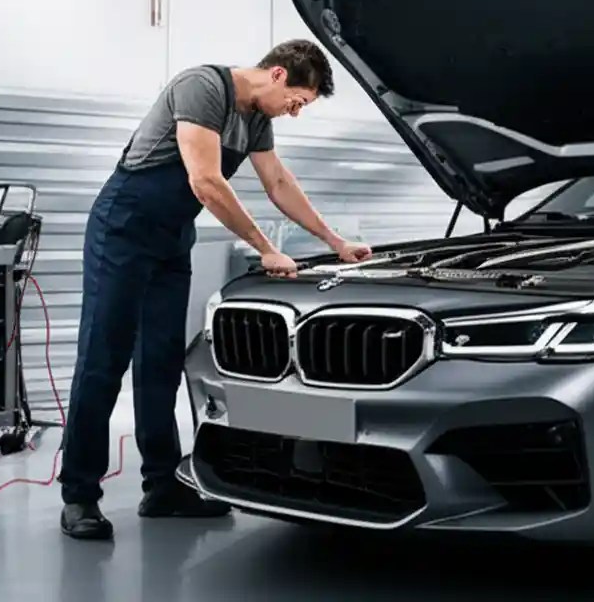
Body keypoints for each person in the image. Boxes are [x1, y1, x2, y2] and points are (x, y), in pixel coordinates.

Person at [59, 39, 372, 540]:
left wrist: (334, 241)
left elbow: (279, 183)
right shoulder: (202, 87)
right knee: (103, 359)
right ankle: (79, 495)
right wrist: (265, 246)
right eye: (297, 101)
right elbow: (205, 180)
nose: (294, 113)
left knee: (161, 361)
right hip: (123, 226)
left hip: (170, 238)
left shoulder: (257, 119)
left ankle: (162, 486)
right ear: (276, 75)